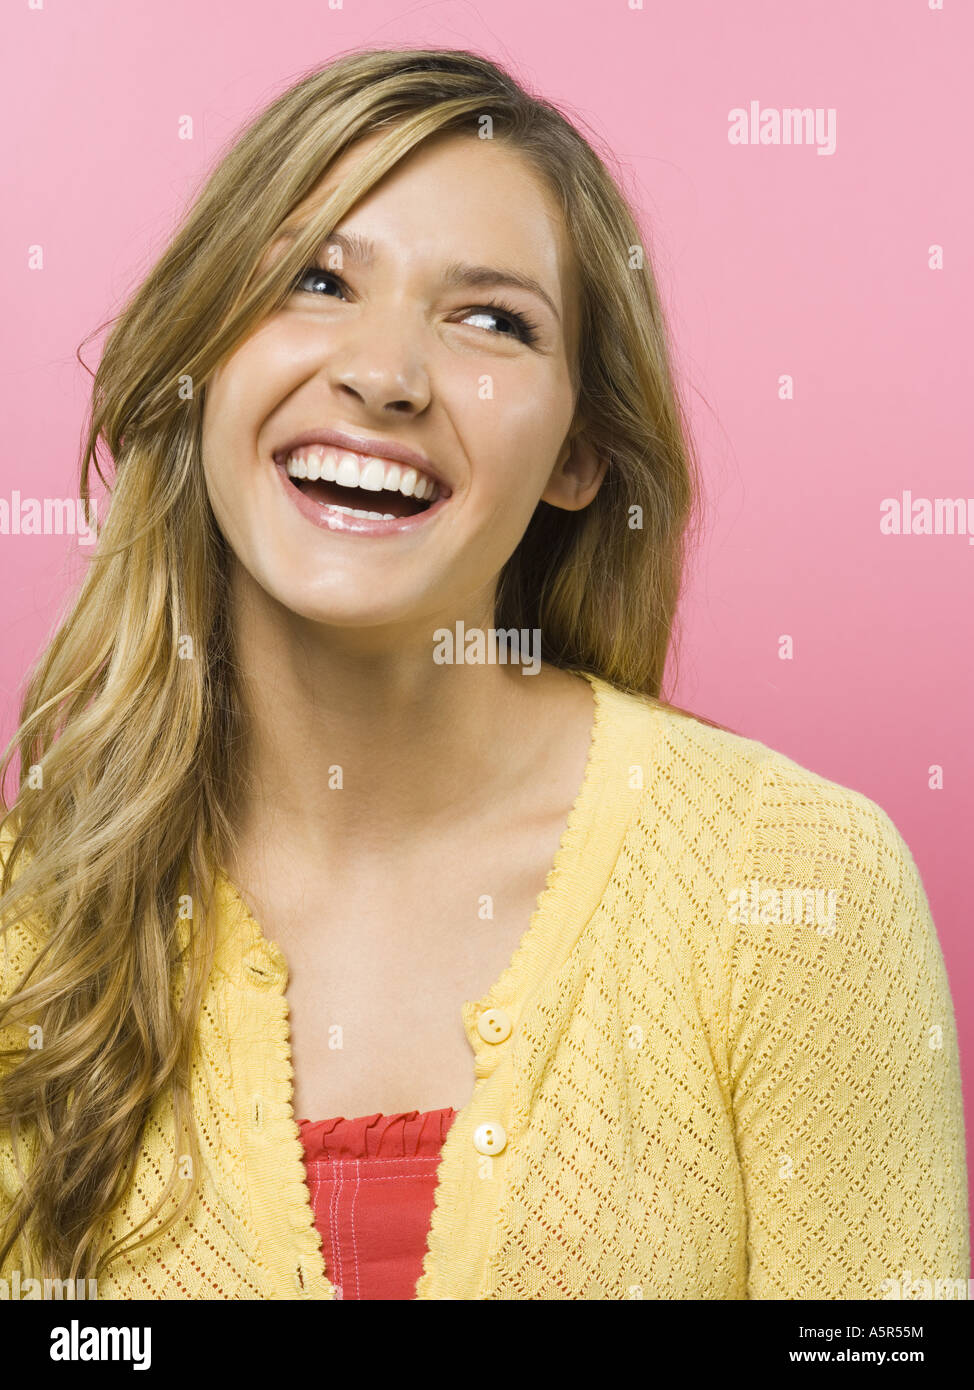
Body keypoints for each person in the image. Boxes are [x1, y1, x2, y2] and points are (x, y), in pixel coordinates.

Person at [0, 46, 967, 1301]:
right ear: (200, 366)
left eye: (491, 321)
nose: (385, 376)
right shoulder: (33, 925)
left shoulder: (790, 883)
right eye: (315, 279)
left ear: (577, 455)